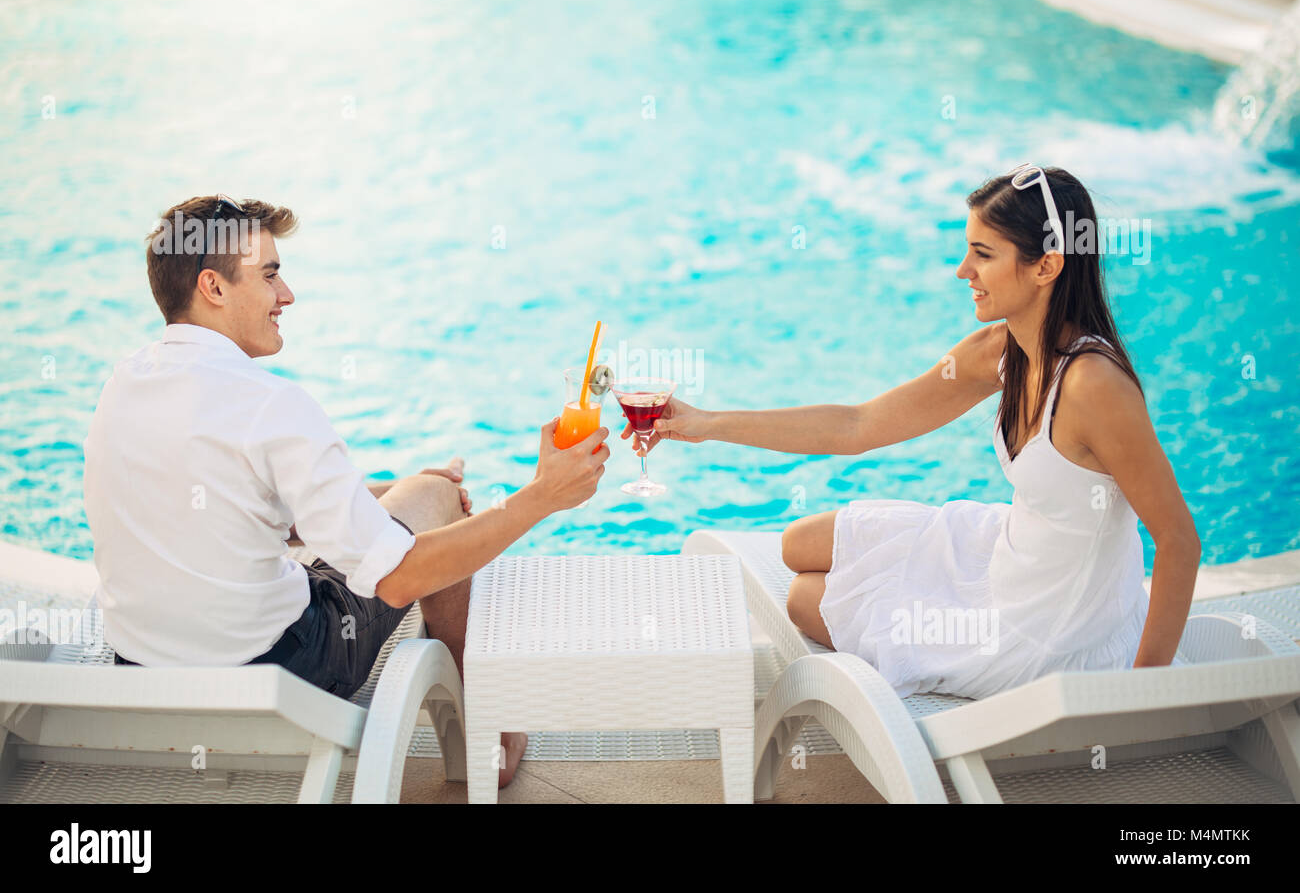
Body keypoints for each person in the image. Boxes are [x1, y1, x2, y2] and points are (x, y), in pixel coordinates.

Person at [84, 194, 610, 788]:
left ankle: (405, 494)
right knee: (434, 501)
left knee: (407, 496)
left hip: (142, 662)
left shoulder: (123, 385)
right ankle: (487, 738)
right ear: (214, 287)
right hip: (282, 667)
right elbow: (400, 578)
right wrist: (541, 495)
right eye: (271, 275)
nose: (287, 296)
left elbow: (217, 501)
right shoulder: (271, 405)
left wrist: (381, 493)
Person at [621, 165, 1201, 700]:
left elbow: (1178, 539)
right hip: (1007, 552)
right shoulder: (1003, 351)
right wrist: (705, 424)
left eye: (982, 254)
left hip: (1049, 627)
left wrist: (1141, 695)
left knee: (804, 601)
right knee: (798, 542)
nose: (962, 271)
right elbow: (860, 424)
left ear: (1046, 266)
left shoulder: (1093, 385)